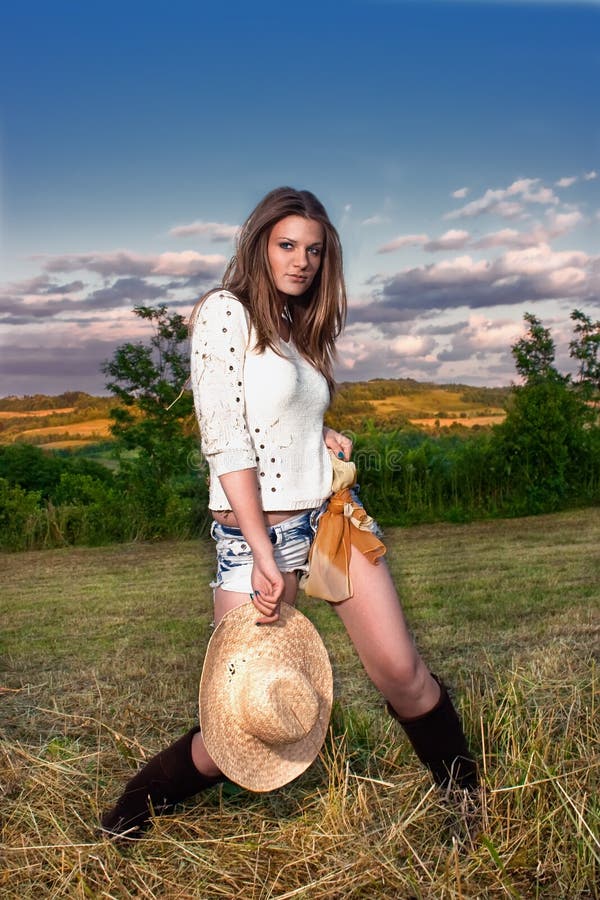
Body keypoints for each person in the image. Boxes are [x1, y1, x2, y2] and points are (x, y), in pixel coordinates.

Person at [100, 187, 477, 839]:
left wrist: (319, 437)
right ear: (260, 245)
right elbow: (226, 437)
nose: (302, 261)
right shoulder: (224, 312)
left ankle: (465, 802)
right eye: (287, 245)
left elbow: (275, 416)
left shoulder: (293, 329)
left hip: (331, 519)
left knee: (402, 672)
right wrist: (261, 549)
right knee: (239, 723)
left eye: (315, 250)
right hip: (256, 538)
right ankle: (130, 813)